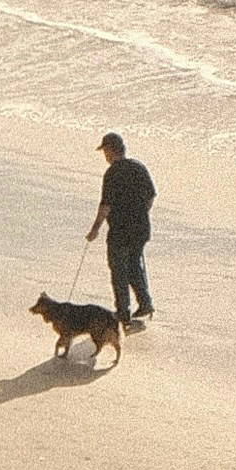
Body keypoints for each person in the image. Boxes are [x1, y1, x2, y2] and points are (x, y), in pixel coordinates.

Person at [88, 132, 158, 328]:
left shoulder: (112, 174)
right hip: (141, 229)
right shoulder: (139, 167)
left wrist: (95, 229)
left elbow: (106, 207)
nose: (105, 156)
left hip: (119, 230)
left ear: (110, 151)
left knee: (119, 270)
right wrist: (140, 214)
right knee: (135, 265)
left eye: (105, 151)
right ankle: (145, 304)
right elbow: (151, 197)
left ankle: (123, 312)